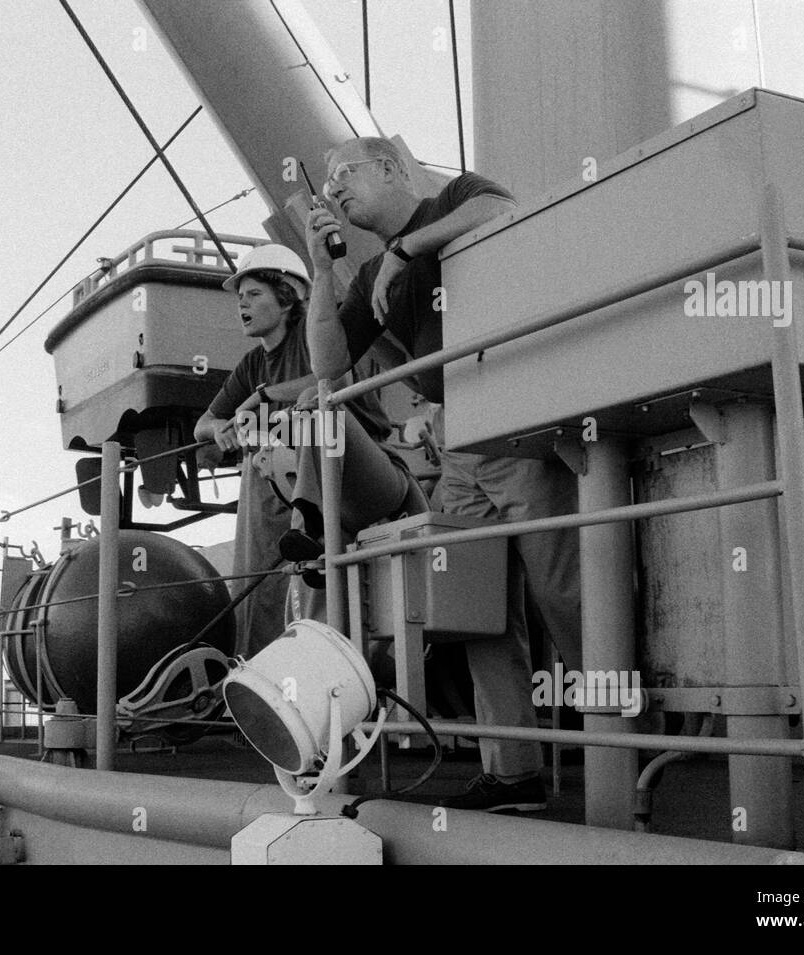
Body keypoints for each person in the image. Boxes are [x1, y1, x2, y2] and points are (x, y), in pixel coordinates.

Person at [304, 136, 582, 813]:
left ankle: (625, 742)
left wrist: (407, 249)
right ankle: (515, 771)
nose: (335, 188)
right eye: (328, 181)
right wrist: (320, 267)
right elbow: (326, 363)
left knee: (565, 592)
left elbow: (500, 208)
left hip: (517, 418)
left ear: (394, 168)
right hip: (459, 444)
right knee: (476, 610)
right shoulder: (370, 279)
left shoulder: (451, 199)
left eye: (348, 173)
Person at [194, 244, 405, 656]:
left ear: (287, 294)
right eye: (240, 297)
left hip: (354, 473)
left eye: (253, 294)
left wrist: (264, 398)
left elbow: (331, 383)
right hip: (287, 491)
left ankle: (310, 545)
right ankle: (263, 664)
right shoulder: (252, 363)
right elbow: (205, 424)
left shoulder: (317, 333)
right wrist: (223, 428)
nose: (242, 304)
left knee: (310, 413)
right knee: (257, 476)